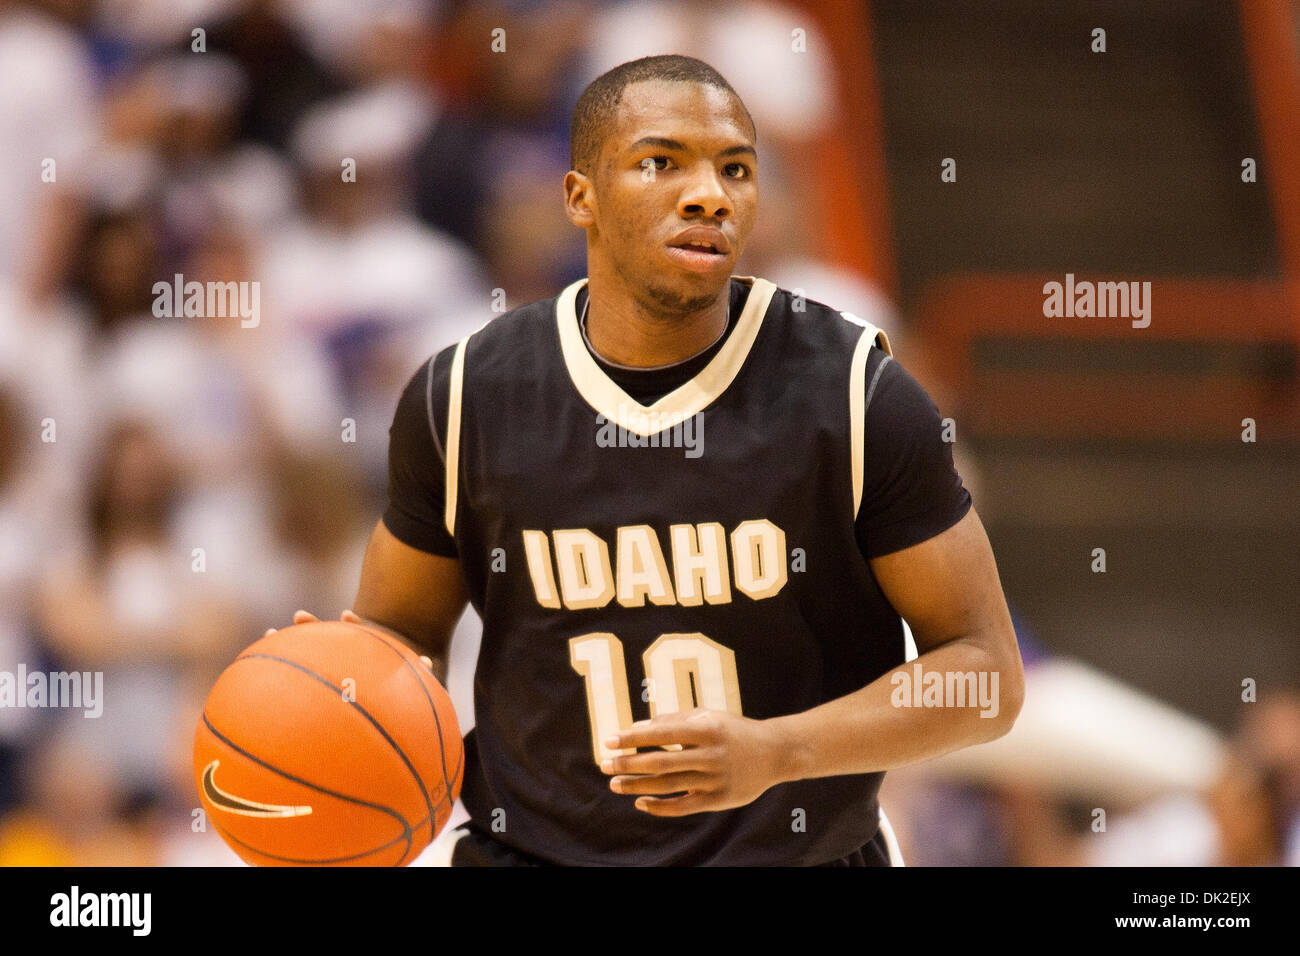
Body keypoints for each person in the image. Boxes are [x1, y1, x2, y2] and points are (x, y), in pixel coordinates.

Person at [276, 55, 1024, 866]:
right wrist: (346, 685)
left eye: (735, 168)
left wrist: (779, 752)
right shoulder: (464, 397)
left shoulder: (852, 392)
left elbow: (983, 674)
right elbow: (402, 631)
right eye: (660, 162)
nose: (708, 194)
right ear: (580, 199)